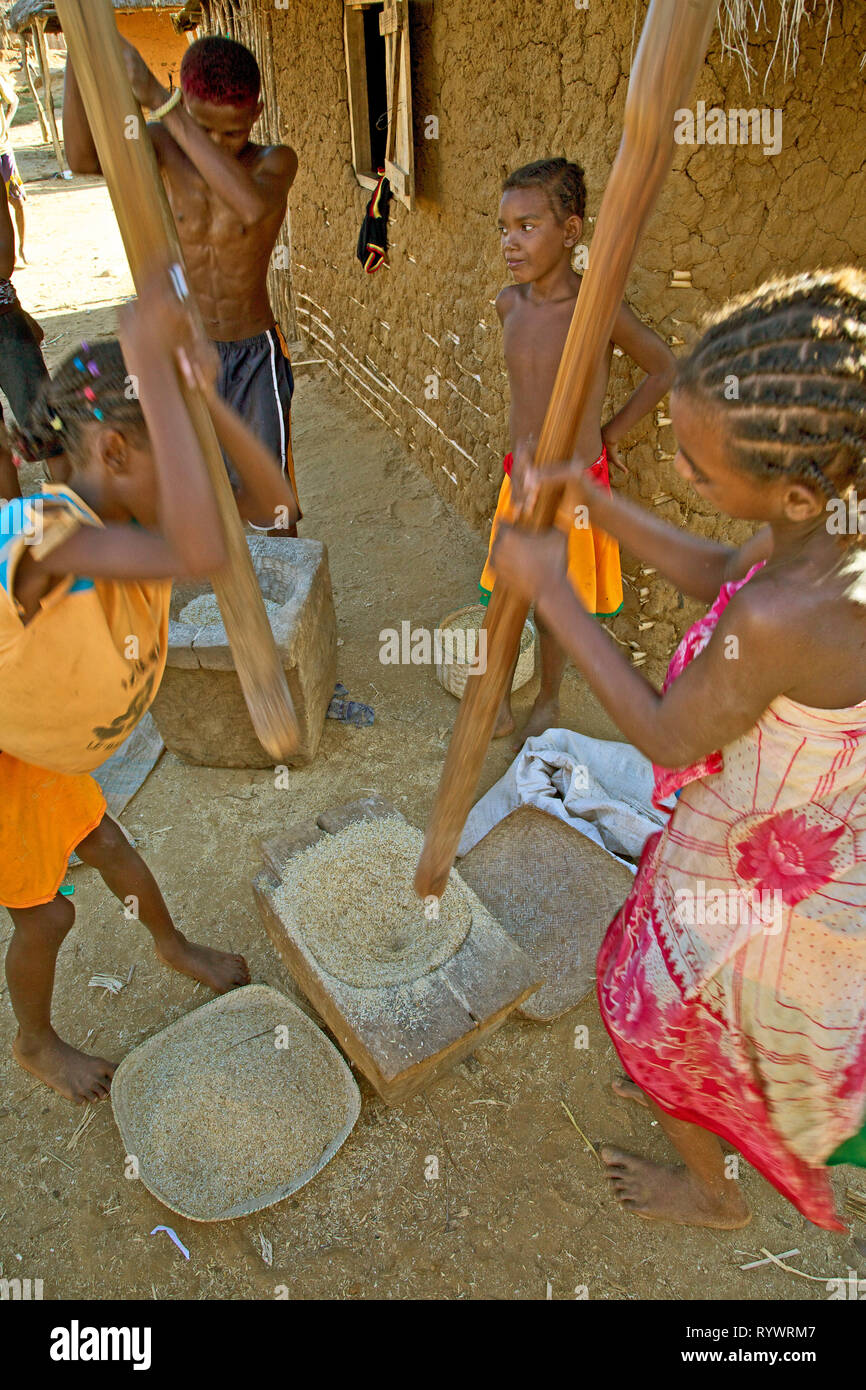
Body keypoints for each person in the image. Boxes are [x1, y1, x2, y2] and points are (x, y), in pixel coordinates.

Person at [493, 269, 866, 1232]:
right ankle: (692, 1091)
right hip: (767, 833)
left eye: (701, 469)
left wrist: (555, 596)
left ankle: (711, 1193)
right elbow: (712, 569)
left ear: (791, 487)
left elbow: (661, 731)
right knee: (692, 1011)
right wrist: (592, 505)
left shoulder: (791, 616)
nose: (685, 473)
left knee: (646, 1013)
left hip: (752, 871)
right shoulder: (816, 539)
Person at [0, 269, 300, 1104]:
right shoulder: (52, 538)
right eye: (179, 459)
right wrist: (149, 359)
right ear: (117, 451)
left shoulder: (139, 515)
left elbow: (274, 509)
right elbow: (205, 550)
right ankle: (35, 1040)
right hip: (6, 761)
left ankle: (170, 944)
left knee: (110, 847)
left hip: (44, 743)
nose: (195, 490)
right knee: (47, 913)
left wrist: (198, 399)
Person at [63, 34, 300, 536]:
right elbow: (84, 159)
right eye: (202, 127)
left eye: (231, 133)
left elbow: (250, 208)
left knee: (271, 507)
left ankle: (291, 610)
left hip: (253, 354)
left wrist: (165, 105)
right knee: (196, 494)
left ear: (258, 111)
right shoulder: (164, 148)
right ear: (187, 107)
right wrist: (80, 54)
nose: (216, 143)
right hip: (189, 351)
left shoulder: (274, 162)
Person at [479, 158, 676, 744]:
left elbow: (664, 368)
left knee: (555, 606)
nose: (511, 243)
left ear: (571, 230)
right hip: (522, 480)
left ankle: (548, 697)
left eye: (528, 226)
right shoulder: (508, 305)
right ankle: (497, 700)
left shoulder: (597, 312)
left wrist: (610, 433)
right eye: (504, 228)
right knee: (508, 597)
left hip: (575, 489)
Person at [0, 178, 49, 501]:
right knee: (49, 433)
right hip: (4, 322)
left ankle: (22, 538)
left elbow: (4, 261)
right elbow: (3, 261)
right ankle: (19, 534)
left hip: (5, 321)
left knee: (46, 431)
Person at [0, 70, 26, 265]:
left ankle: (22, 249)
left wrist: (5, 124)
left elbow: (13, 101)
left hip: (3, 151)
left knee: (17, 201)